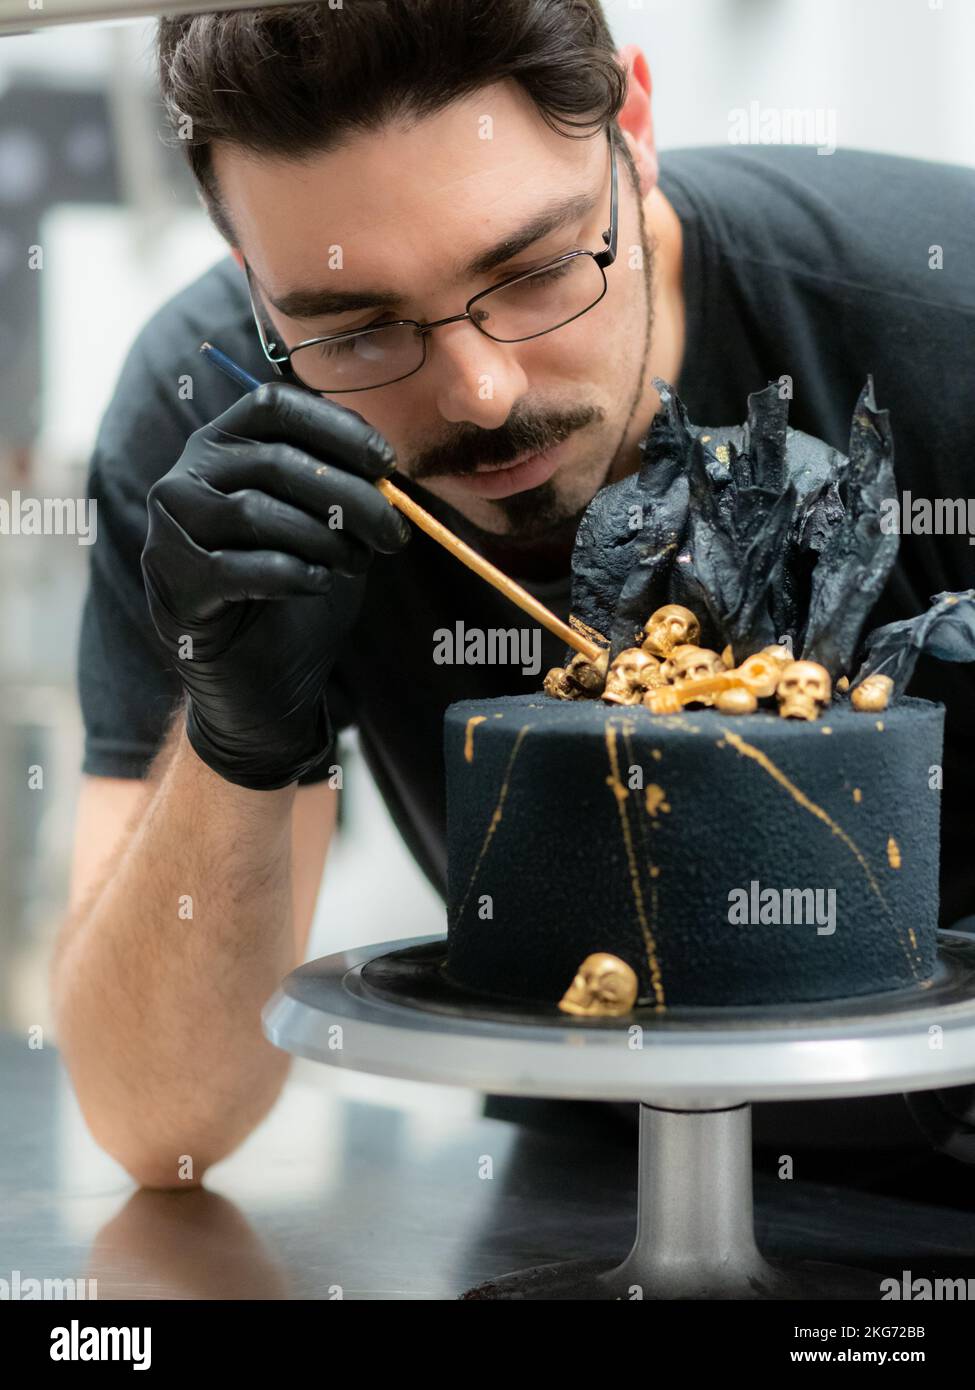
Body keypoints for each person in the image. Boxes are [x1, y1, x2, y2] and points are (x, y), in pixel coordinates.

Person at [51, 1, 975, 1190]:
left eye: (536, 271)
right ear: (254, 278)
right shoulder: (212, 439)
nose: (481, 394)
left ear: (632, 129)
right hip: (579, 1182)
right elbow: (159, 1119)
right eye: (359, 326)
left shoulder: (938, 333)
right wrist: (238, 739)